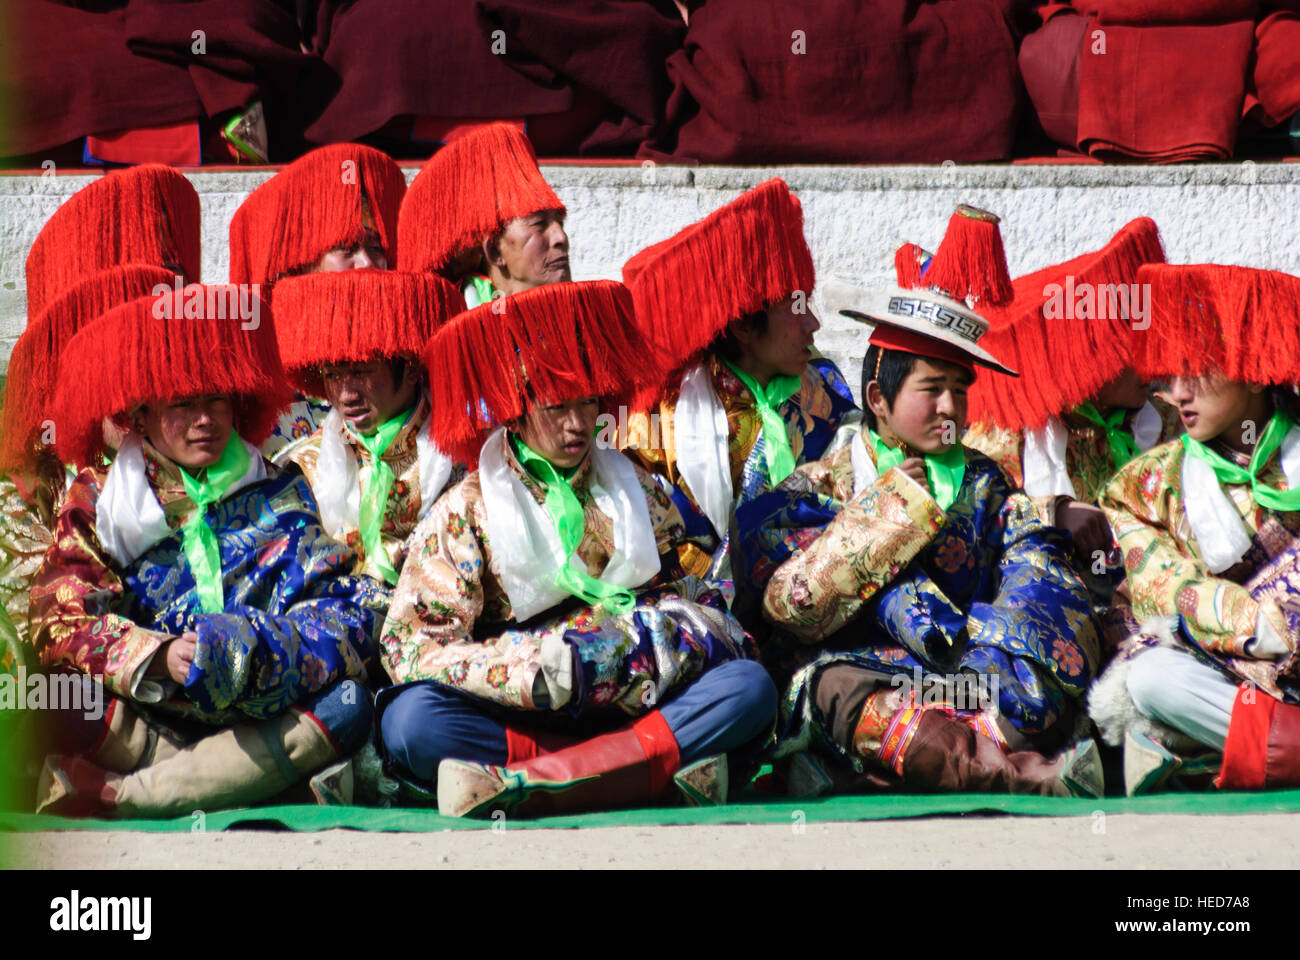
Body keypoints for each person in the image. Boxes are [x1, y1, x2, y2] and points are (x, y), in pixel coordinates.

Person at [377, 280, 776, 817]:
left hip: (634, 696)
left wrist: (618, 651)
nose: (577, 425)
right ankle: (636, 771)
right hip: (525, 709)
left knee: (749, 687)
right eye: (556, 406)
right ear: (515, 408)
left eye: (587, 402)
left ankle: (531, 782)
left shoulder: (641, 488)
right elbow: (410, 646)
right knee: (411, 721)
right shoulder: (464, 511)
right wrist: (524, 671)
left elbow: (701, 603)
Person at [735, 248, 1103, 798]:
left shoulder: (982, 478)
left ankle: (867, 774)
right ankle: (1021, 776)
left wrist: (1003, 641)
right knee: (834, 688)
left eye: (961, 389)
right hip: (873, 670)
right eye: (932, 389)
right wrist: (893, 509)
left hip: (977, 671)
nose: (951, 407)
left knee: (1060, 648)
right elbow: (789, 604)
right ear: (878, 399)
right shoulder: (821, 483)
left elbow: (1024, 548)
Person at [28, 286, 387, 816]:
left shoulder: (277, 490)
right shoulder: (101, 500)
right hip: (147, 710)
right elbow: (58, 619)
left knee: (351, 705)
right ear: (141, 415)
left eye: (216, 399)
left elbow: (343, 612)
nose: (205, 420)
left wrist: (250, 647)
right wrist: (154, 656)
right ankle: (234, 778)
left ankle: (125, 794)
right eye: (183, 404)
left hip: (260, 709)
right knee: (48, 695)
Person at [1090, 263, 1300, 795]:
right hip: (1233, 664)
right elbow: (1166, 591)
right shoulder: (1141, 485)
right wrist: (1267, 627)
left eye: (1196, 372)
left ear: (1253, 372)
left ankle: (1239, 754)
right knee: (1152, 679)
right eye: (1170, 374)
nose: (1176, 393)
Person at [4, 163, 202, 669]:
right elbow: (41, 628)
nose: (134, 380)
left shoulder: (224, 456)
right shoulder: (28, 491)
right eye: (110, 353)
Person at [619, 178, 859, 578]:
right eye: (795, 308)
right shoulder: (665, 417)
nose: (813, 324)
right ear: (744, 326)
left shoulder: (825, 385)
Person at [961, 215, 1181, 569]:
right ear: (1091, 359)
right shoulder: (1010, 433)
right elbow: (970, 513)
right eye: (1132, 351)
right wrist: (1055, 513)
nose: (1150, 364)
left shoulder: (1171, 418)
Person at [270, 270, 466, 586]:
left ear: (413, 367)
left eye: (362, 372)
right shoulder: (301, 467)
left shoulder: (463, 454)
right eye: (332, 376)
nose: (346, 395)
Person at [228, 142, 407, 457]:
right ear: (298, 267)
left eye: (376, 247)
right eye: (347, 248)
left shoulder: (408, 360)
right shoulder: (263, 398)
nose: (367, 264)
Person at [397, 123, 569, 307]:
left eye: (560, 223)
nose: (561, 238)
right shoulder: (461, 331)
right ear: (494, 250)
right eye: (539, 223)